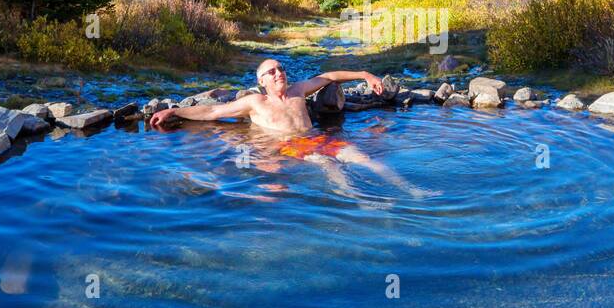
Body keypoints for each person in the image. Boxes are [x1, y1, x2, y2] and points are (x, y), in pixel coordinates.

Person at [149, 60, 426, 198]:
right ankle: (362, 199)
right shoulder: (255, 102)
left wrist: (366, 75)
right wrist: (173, 111)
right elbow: (212, 111)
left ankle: (411, 190)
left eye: (280, 68)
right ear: (261, 80)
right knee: (328, 165)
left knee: (366, 159)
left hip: (315, 137)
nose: (279, 73)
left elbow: (329, 76)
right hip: (289, 146)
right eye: (271, 72)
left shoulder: (298, 91)